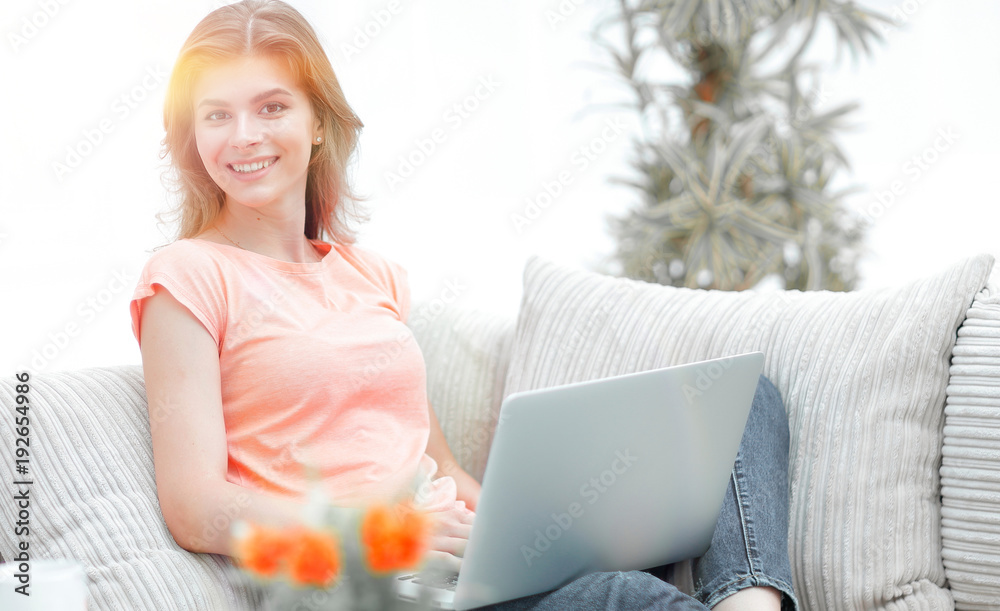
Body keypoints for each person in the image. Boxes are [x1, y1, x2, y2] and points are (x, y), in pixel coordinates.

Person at [128, 1, 799, 609]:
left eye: (271, 107)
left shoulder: (373, 275)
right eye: (217, 114)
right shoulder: (186, 276)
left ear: (318, 126)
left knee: (741, 401)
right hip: (369, 581)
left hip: (461, 561)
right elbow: (197, 506)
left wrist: (519, 528)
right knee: (622, 596)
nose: (243, 135)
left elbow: (440, 467)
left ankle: (747, 601)